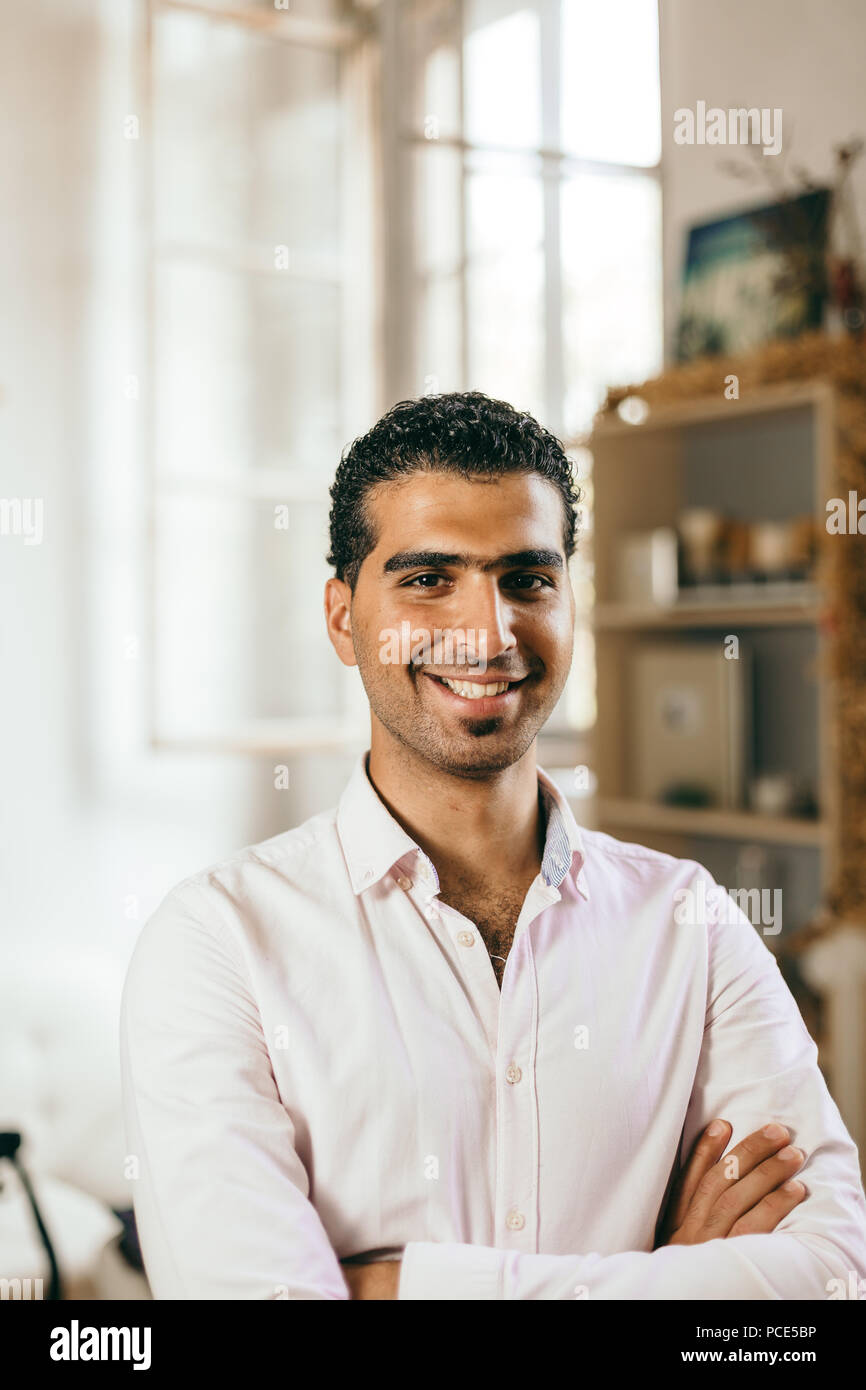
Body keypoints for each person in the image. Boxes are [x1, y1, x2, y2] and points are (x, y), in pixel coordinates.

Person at [120, 391, 866, 1299]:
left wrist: (400, 1287)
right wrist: (659, 1282)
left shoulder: (691, 921)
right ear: (341, 617)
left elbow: (826, 1283)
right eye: (429, 579)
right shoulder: (217, 943)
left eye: (528, 578)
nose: (489, 630)